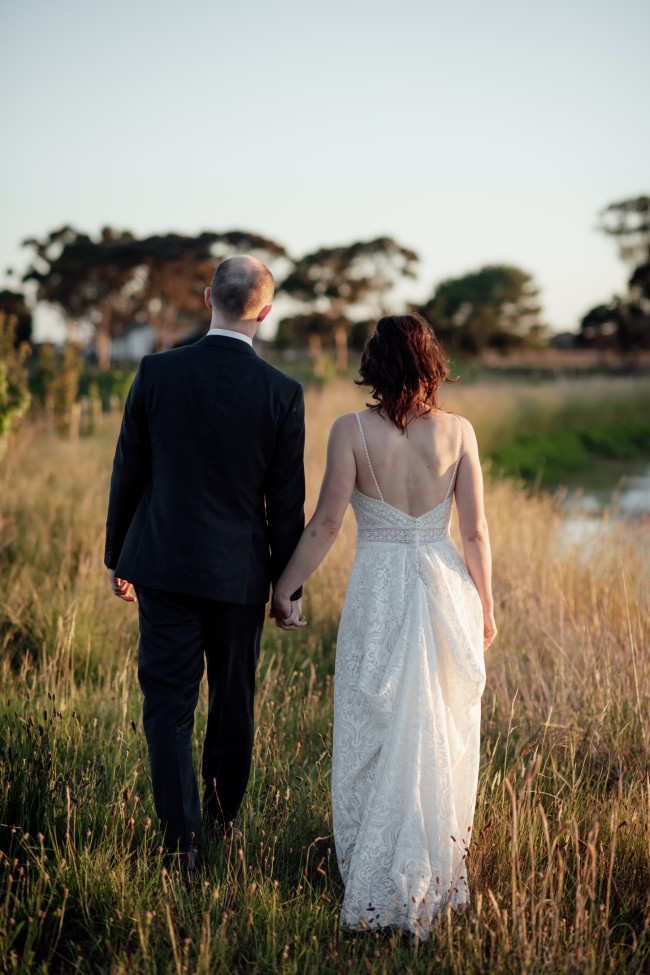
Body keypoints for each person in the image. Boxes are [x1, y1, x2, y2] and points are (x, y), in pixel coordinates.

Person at [271, 313, 496, 937]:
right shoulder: (460, 432)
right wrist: (488, 604)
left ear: (374, 363)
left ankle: (373, 875)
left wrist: (284, 587)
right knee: (438, 728)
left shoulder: (350, 430)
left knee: (374, 724)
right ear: (432, 362)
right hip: (444, 585)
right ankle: (432, 868)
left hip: (378, 588)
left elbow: (324, 525)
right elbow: (474, 532)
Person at [105, 255, 306, 879]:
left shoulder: (157, 371)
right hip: (239, 578)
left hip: (161, 566)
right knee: (234, 702)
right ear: (265, 313)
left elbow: (128, 470)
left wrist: (120, 555)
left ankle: (183, 842)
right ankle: (219, 823)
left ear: (207, 296)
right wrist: (287, 587)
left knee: (167, 706)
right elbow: (287, 503)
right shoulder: (282, 392)